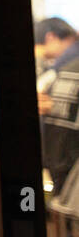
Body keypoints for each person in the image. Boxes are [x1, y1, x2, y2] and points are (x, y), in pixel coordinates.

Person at [37, 18, 79, 187]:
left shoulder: (58, 71)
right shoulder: (58, 68)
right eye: (70, 42)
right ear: (51, 37)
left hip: (57, 167)